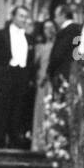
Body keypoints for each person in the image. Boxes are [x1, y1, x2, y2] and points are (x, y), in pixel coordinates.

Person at [0, 5, 36, 149]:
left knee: (18, 110)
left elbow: (31, 61)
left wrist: (29, 79)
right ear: (13, 17)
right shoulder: (0, 34)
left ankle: (15, 143)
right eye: (21, 16)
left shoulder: (29, 37)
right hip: (5, 75)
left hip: (21, 76)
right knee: (2, 111)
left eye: (25, 16)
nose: (24, 19)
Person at [30, 18, 55, 151]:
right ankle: (39, 143)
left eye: (51, 27)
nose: (49, 31)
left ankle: (52, 142)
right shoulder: (39, 47)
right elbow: (34, 65)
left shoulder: (58, 45)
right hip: (42, 82)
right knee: (41, 111)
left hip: (53, 82)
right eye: (46, 28)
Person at [47, 3, 78, 92]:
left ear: (63, 15)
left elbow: (58, 54)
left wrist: (50, 70)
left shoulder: (68, 31)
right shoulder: (77, 29)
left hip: (63, 74)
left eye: (56, 15)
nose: (54, 19)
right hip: (70, 73)